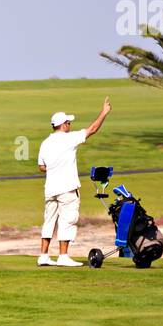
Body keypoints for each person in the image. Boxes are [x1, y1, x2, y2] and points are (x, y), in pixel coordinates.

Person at [36, 97, 112, 267]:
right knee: (67, 220)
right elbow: (92, 129)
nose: (70, 125)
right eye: (68, 122)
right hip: (67, 189)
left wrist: (55, 167)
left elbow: (42, 167)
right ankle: (63, 256)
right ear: (63, 124)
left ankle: (44, 255)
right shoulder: (69, 139)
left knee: (49, 221)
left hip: (50, 189)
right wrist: (104, 112)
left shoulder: (45, 143)